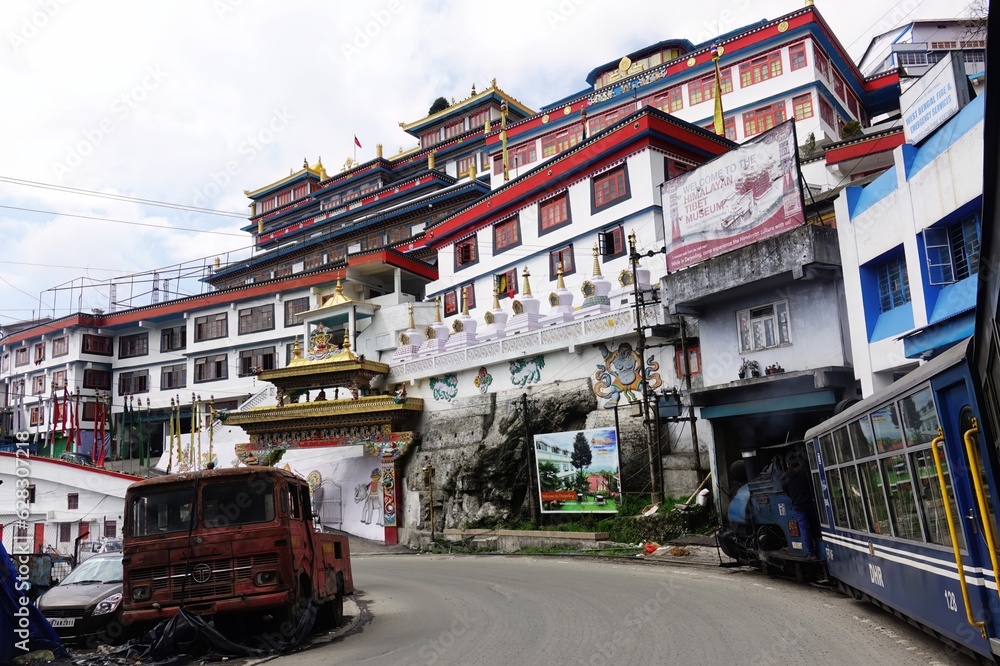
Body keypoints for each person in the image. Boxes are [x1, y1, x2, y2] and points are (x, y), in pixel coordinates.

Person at [779, 450, 818, 558]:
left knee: (804, 527)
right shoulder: (805, 471)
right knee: (816, 522)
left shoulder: (783, 477)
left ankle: (811, 552)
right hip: (810, 501)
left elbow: (786, 492)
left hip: (797, 504)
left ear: (788, 464)